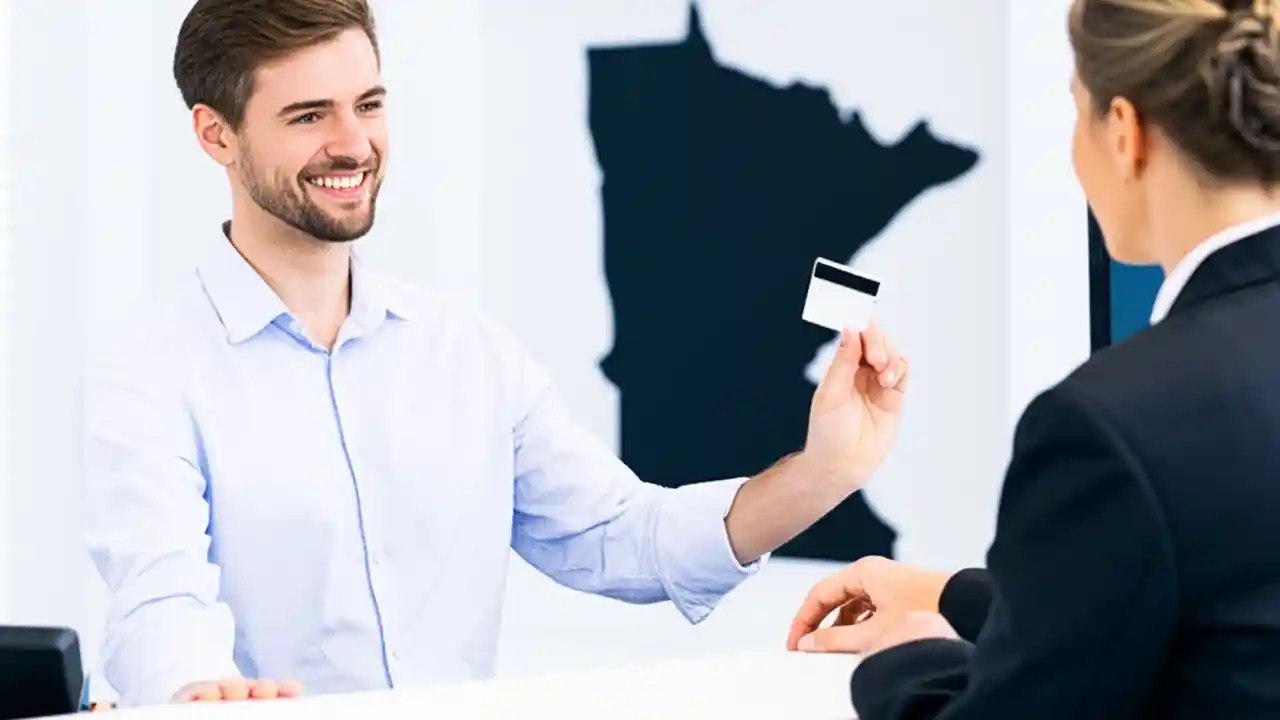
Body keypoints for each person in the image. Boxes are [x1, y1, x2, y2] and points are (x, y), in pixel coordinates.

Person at [80, 0, 911, 707]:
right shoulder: (153, 368)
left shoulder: (464, 352)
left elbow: (625, 537)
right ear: (214, 134)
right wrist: (199, 694)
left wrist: (824, 470)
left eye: (368, 105)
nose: (353, 144)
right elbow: (159, 595)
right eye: (308, 116)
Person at [786, 0, 1280, 717]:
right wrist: (948, 595)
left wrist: (912, 656)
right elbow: (1223, 612)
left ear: (1123, 133)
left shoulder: (1111, 426)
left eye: (1073, 109)